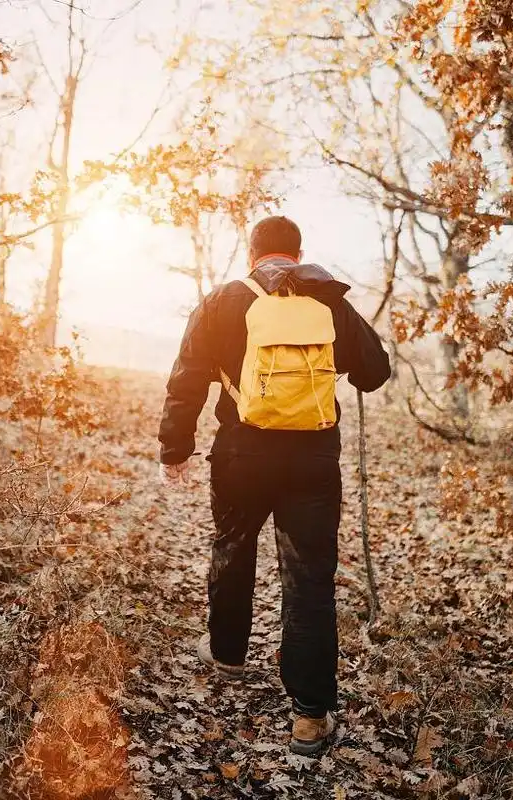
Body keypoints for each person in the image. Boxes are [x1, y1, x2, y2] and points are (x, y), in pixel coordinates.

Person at [157, 215, 391, 756]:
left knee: (233, 547)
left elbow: (186, 378)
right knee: (310, 579)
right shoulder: (326, 299)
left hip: (241, 453)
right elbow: (374, 371)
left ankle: (227, 655)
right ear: (297, 251)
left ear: (252, 255)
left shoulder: (222, 301)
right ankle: (309, 717)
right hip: (312, 458)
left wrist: (176, 450)